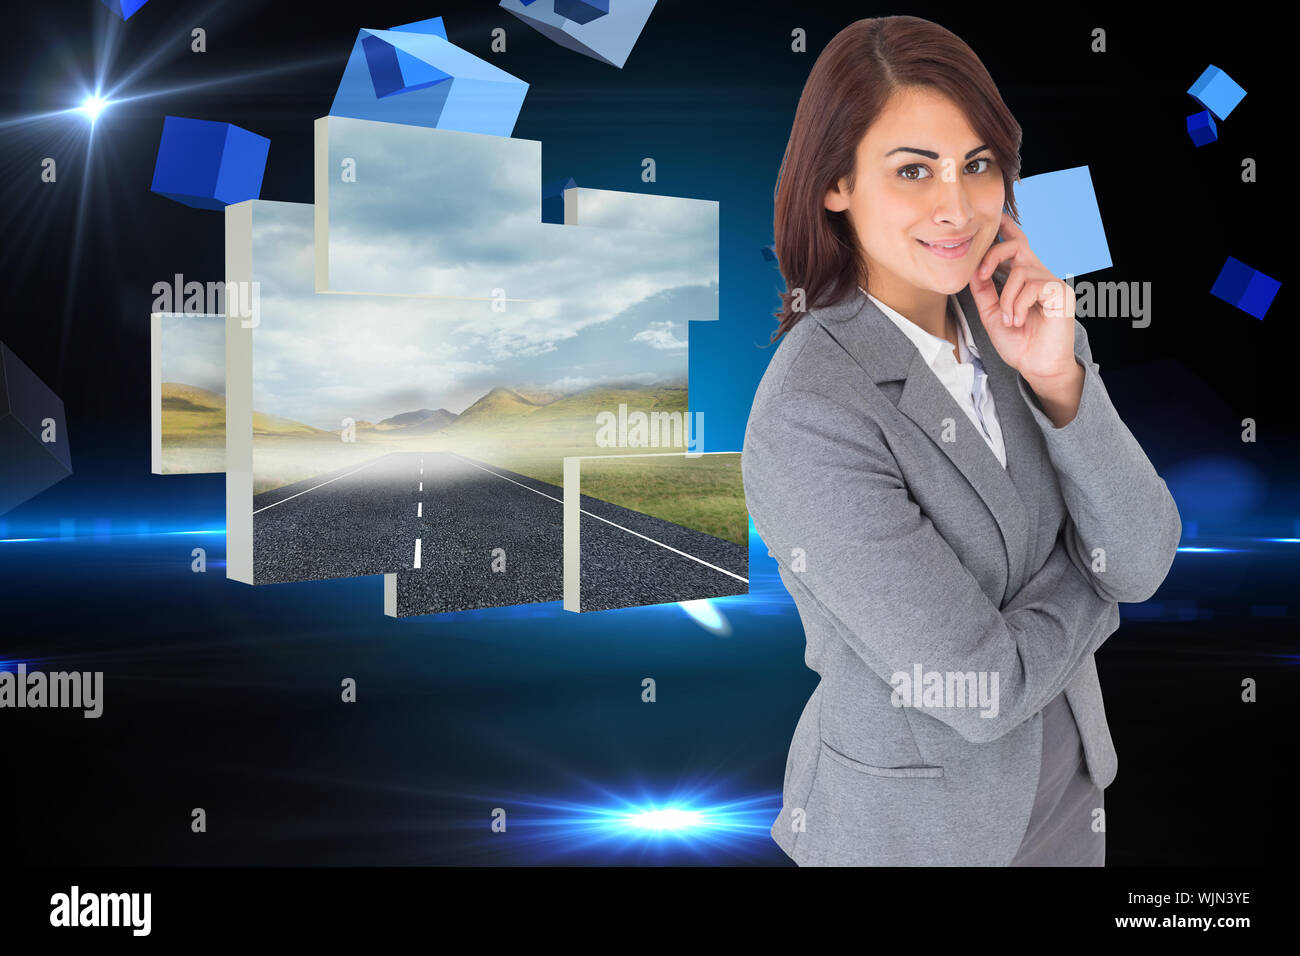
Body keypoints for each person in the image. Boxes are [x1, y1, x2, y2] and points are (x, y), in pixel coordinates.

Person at [741, 15, 1181, 866]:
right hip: (917, 836)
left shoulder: (1025, 320)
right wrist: (1093, 585)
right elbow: (983, 689)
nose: (957, 206)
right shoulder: (810, 412)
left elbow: (1142, 558)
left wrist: (1060, 383)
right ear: (836, 183)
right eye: (913, 170)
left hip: (1070, 794)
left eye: (977, 164)